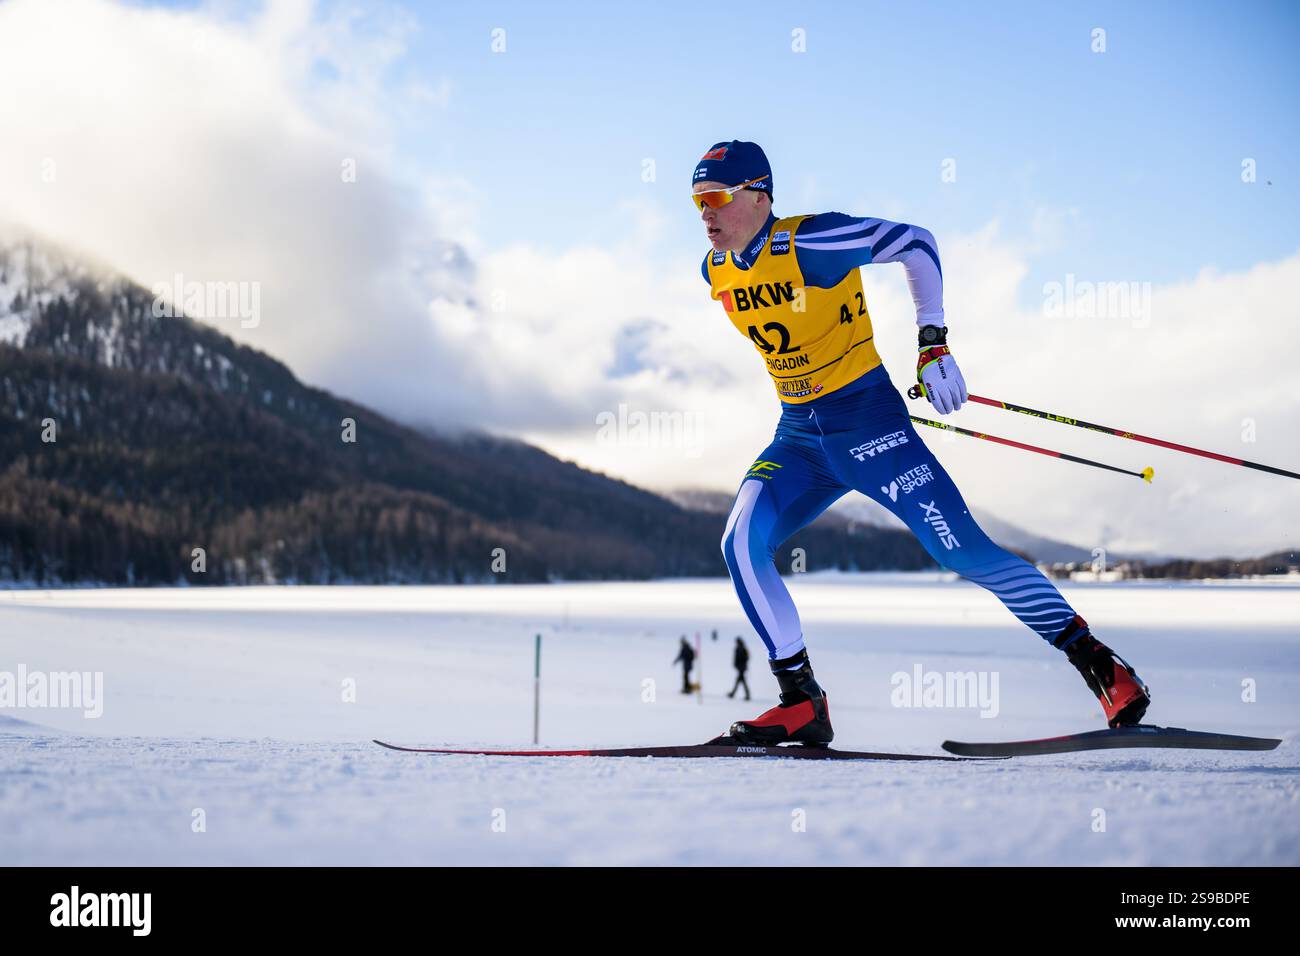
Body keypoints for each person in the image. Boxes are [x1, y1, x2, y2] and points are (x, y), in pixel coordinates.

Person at [692, 140, 1150, 747]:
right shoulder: (714, 271)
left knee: (963, 554)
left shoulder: (810, 242)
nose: (706, 212)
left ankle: (1101, 665)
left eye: (718, 197)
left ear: (759, 195)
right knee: (740, 545)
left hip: (872, 426)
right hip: (800, 437)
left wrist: (933, 344)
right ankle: (801, 701)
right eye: (697, 201)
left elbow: (917, 243)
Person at [728, 637, 751, 701]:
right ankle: (735, 693)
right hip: (740, 667)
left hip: (742, 668)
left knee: (741, 681)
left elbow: (746, 658)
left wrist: (741, 664)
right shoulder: (738, 649)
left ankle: (734, 694)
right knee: (741, 681)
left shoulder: (742, 649)